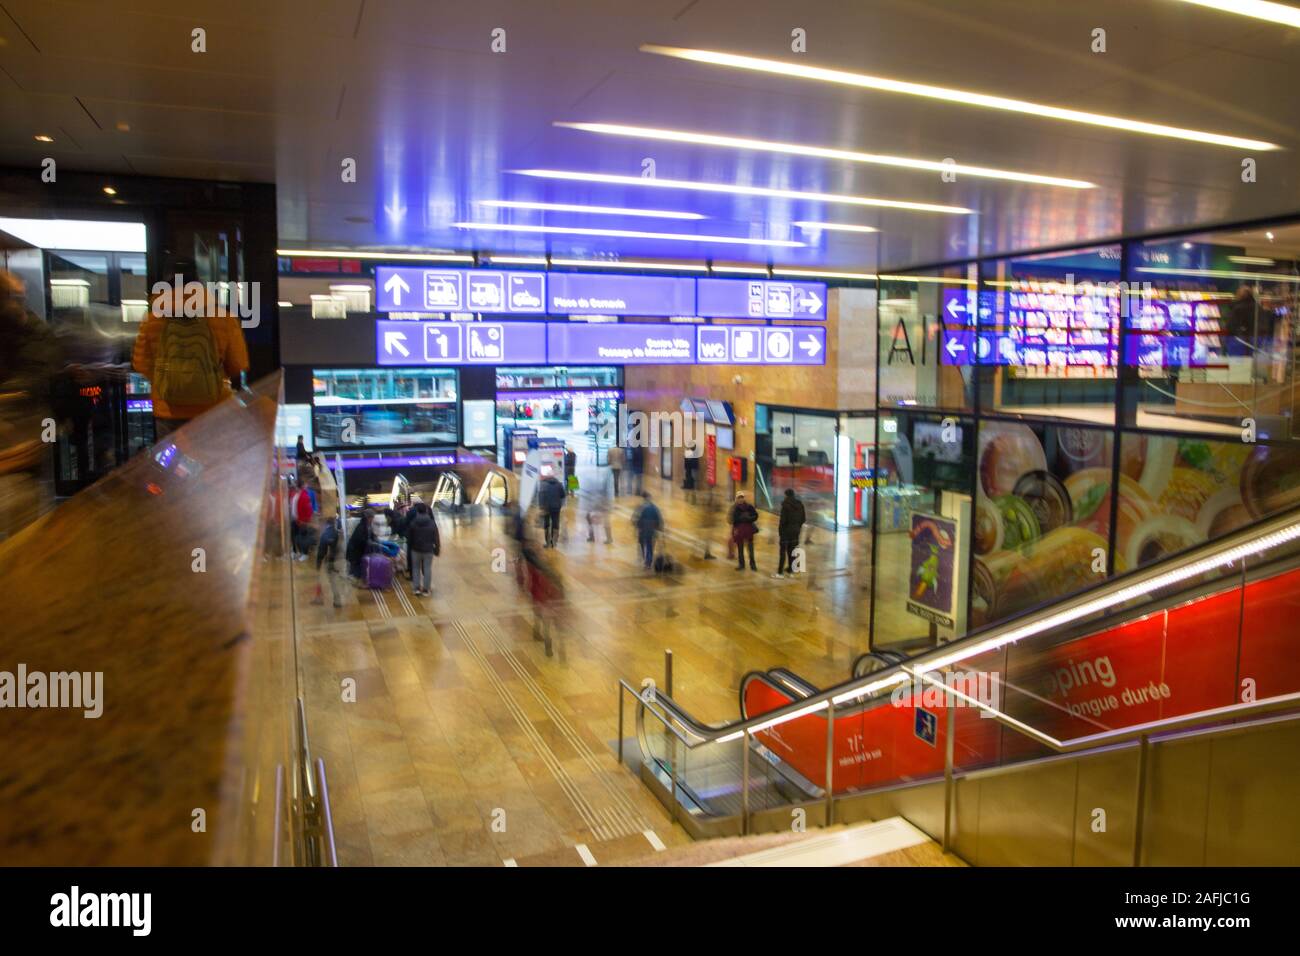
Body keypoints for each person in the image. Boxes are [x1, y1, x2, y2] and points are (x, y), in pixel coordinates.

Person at [131, 270, 250, 440]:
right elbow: (238, 364)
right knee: (212, 463)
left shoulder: (152, 320)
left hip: (168, 411)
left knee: (173, 464)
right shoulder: (223, 318)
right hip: (213, 409)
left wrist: (168, 378)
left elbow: (140, 363)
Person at [0, 270, 62, 542]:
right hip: (22, 451)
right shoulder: (27, 335)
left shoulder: (24, 336)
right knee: (29, 532)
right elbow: (48, 358)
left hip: (21, 451)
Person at [405, 502, 441, 597]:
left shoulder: (413, 523)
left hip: (415, 550)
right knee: (427, 569)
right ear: (426, 511)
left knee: (416, 568)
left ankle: (416, 588)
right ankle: (426, 590)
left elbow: (409, 537)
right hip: (428, 550)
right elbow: (436, 537)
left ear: (417, 511)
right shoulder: (432, 523)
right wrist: (437, 549)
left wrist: (410, 547)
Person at [774, 488, 806, 578]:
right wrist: (797, 527)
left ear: (786, 495)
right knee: (791, 551)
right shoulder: (800, 505)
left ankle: (780, 573)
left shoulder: (785, 505)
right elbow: (803, 519)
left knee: (782, 552)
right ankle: (791, 571)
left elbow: (783, 521)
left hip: (785, 532)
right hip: (795, 532)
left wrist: (780, 531)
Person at [633, 492, 663, 570]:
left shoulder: (640, 507)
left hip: (643, 531)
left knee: (643, 545)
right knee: (649, 546)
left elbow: (635, 519)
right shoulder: (655, 507)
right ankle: (648, 562)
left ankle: (646, 561)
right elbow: (660, 520)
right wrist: (660, 529)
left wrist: (636, 527)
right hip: (652, 531)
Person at [730, 491, 759, 572]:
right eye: (739, 498)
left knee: (750, 549)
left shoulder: (749, 507)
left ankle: (752, 565)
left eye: (742, 497)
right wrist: (742, 519)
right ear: (737, 499)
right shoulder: (735, 508)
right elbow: (733, 520)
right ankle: (742, 565)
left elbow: (756, 515)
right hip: (740, 532)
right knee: (740, 549)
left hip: (748, 531)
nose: (741, 499)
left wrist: (748, 519)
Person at [537, 471, 565, 548]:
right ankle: (554, 543)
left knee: (546, 525)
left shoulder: (543, 484)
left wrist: (541, 507)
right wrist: (561, 505)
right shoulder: (559, 484)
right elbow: (563, 496)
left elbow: (541, 496)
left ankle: (548, 543)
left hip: (546, 508)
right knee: (555, 524)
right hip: (556, 508)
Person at [289, 478, 315, 561]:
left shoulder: (304, 495)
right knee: (294, 536)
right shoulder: (295, 495)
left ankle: (305, 553)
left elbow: (309, 509)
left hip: (302, 521)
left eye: (296, 485)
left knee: (302, 538)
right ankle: (296, 552)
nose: (294, 486)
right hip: (295, 519)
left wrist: (305, 520)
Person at [345, 509, 374, 579]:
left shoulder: (367, 526)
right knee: (355, 574)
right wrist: (368, 542)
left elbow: (371, 536)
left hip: (358, 553)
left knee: (358, 573)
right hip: (354, 553)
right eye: (371, 517)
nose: (372, 519)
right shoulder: (361, 527)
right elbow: (359, 540)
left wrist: (374, 540)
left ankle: (354, 580)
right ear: (367, 517)